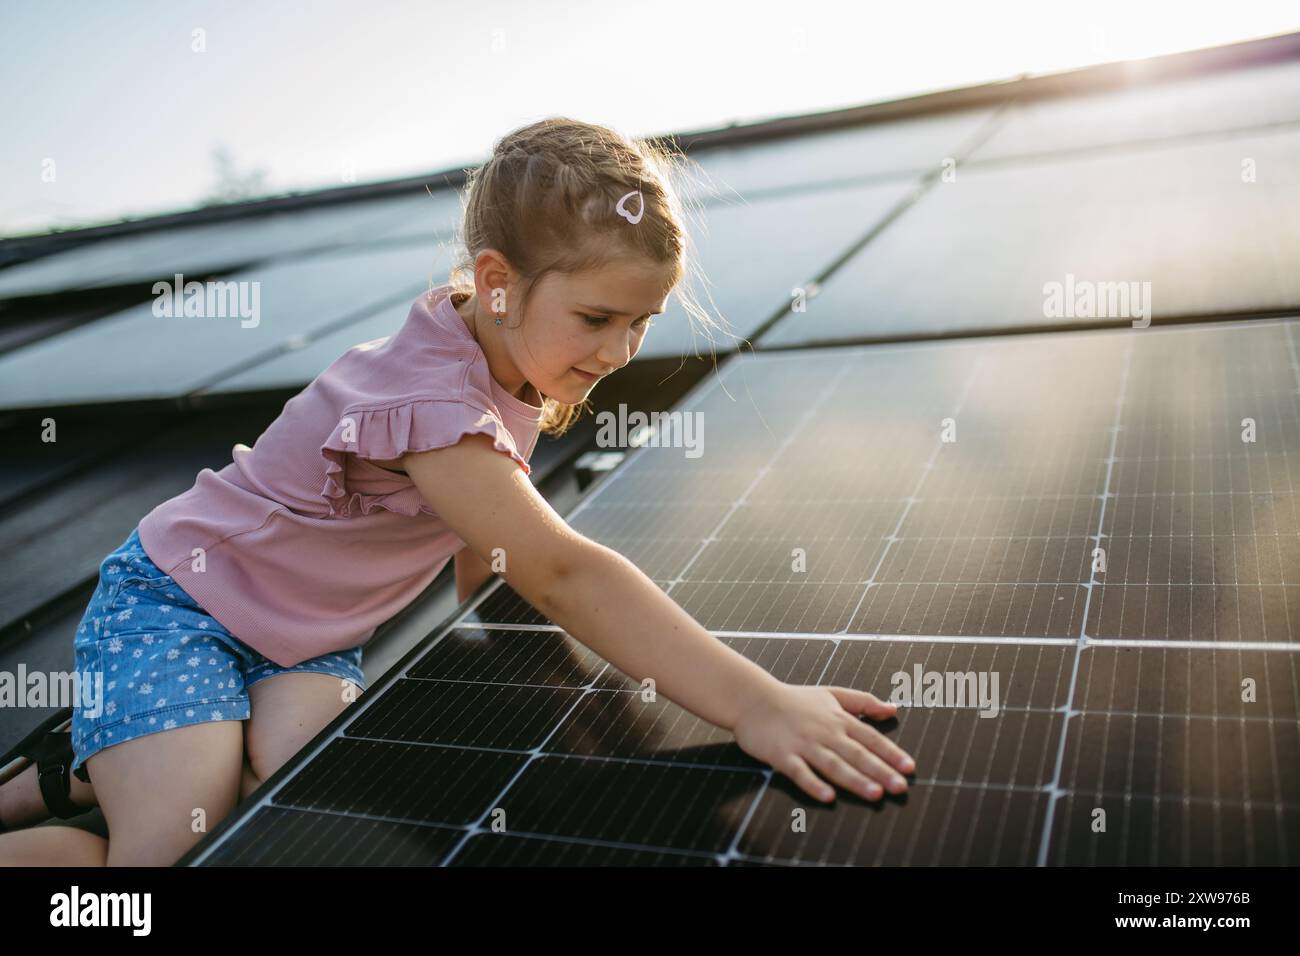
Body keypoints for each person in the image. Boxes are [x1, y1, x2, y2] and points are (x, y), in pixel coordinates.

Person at [0, 117, 914, 866]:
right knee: (169, 851)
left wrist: (543, 684)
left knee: (284, 784)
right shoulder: (431, 400)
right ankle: (99, 791)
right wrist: (755, 703)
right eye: (597, 318)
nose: (618, 352)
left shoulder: (501, 349)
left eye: (642, 322)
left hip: (297, 642)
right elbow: (556, 568)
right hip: (182, 607)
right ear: (496, 282)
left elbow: (488, 540)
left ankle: (91, 757)